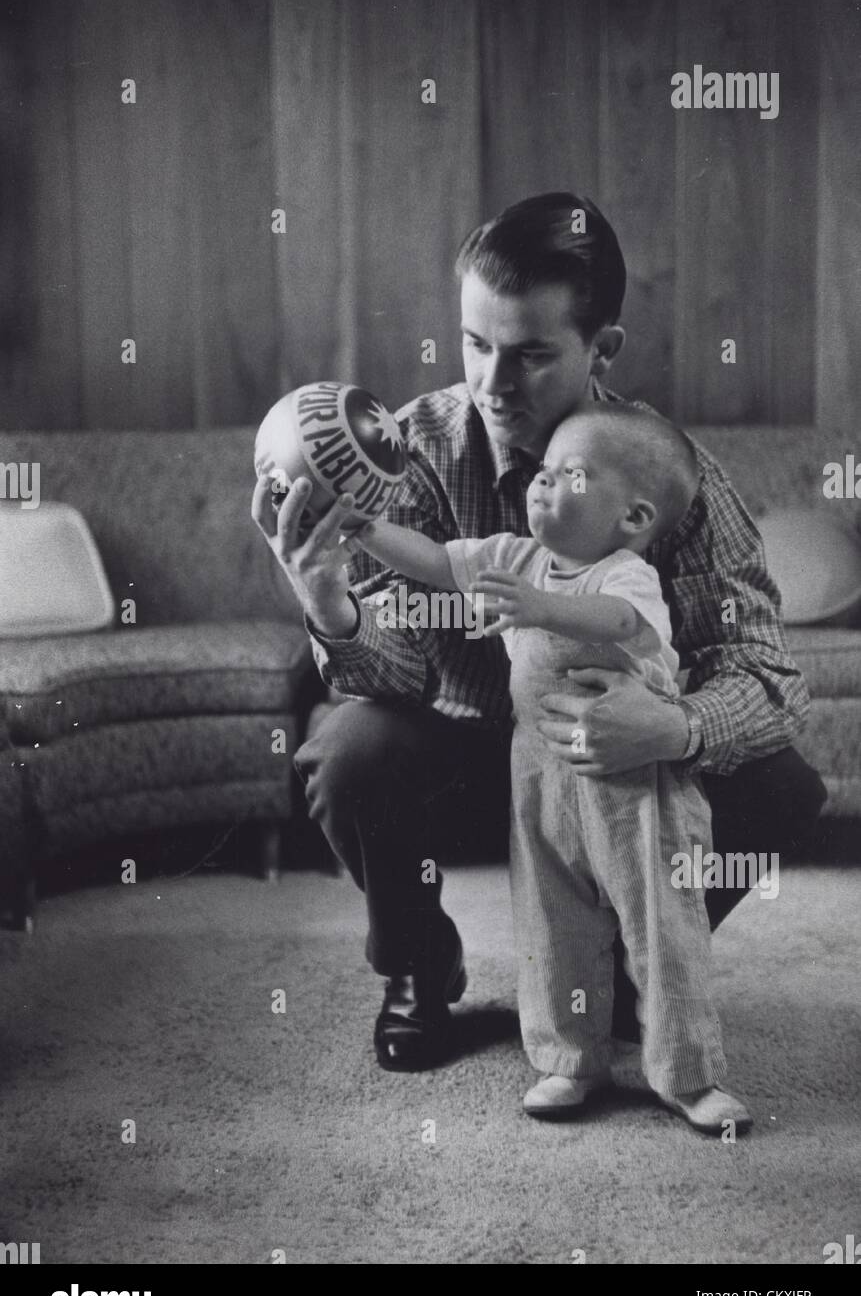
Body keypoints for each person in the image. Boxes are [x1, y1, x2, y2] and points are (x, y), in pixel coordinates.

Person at [251, 191, 826, 1074]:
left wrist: (675, 727)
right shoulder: (413, 453)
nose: (491, 384)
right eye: (475, 345)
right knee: (347, 754)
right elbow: (397, 677)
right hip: (466, 752)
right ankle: (416, 964)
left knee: (779, 784)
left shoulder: (667, 474)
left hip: (612, 767)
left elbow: (765, 674)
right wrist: (331, 604)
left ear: (603, 350)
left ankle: (638, 961)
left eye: (529, 355)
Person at [354, 402, 752, 1134]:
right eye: (542, 472)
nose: (540, 486)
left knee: (663, 928)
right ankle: (569, 1059)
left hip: (636, 791)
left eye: (569, 476)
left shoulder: (625, 575)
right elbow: (438, 562)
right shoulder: (513, 557)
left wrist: (539, 607)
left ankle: (688, 1075)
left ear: (630, 518)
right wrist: (365, 531)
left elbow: (622, 626)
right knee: (550, 923)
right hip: (540, 776)